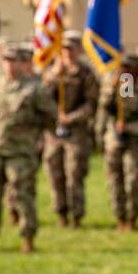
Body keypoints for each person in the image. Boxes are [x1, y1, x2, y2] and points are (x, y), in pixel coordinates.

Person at [0, 43, 55, 253]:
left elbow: (51, 117)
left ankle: (28, 237)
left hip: (21, 151)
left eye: (15, 61)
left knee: (23, 194)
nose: (10, 65)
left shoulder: (34, 89)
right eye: (7, 60)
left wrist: (34, 133)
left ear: (23, 63)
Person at [40, 31, 99, 228]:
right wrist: (54, 75)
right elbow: (42, 97)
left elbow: (91, 105)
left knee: (74, 173)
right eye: (64, 49)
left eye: (71, 49)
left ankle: (76, 215)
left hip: (76, 133)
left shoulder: (86, 74)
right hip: (54, 133)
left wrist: (70, 118)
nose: (68, 53)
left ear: (79, 50)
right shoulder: (53, 71)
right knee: (54, 173)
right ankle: (60, 213)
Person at [98, 53, 138, 231]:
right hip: (115, 141)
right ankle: (119, 216)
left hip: (136, 142)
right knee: (115, 180)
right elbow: (105, 108)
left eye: (129, 68)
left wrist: (129, 127)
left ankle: (132, 217)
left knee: (132, 181)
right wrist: (111, 90)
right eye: (123, 68)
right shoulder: (119, 86)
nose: (125, 71)